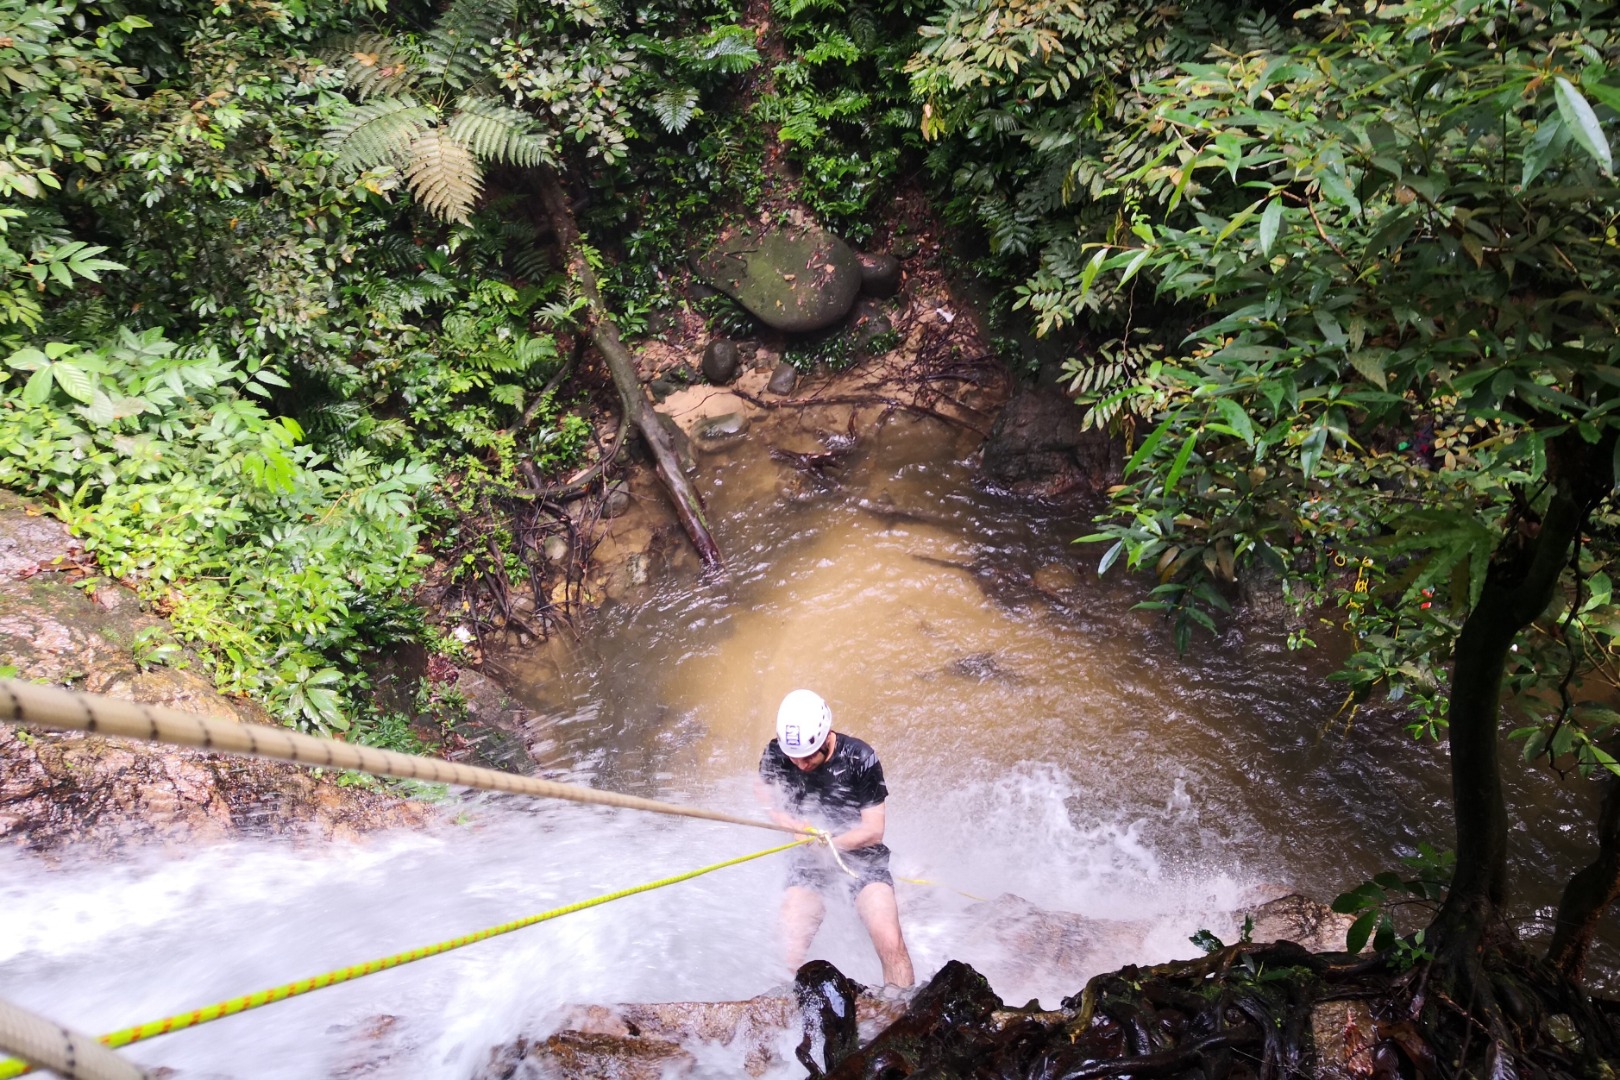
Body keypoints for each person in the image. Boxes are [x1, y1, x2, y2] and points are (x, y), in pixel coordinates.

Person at [755, 689, 915, 988]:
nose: (800, 765)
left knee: (890, 942)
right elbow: (762, 790)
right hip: (807, 864)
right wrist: (787, 822)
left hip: (862, 861)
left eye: (807, 757)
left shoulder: (860, 758)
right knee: (787, 950)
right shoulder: (778, 751)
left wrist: (831, 844)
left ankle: (903, 1015)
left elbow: (873, 830)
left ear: (825, 735)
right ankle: (788, 1021)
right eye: (794, 758)